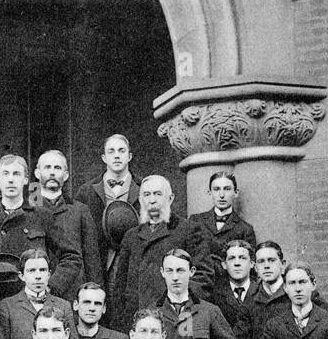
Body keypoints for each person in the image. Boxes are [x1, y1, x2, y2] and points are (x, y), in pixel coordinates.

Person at [108, 175, 211, 327]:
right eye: (146, 195)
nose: (152, 200)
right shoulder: (131, 236)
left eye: (157, 194)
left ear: (170, 198)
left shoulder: (188, 230)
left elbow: (203, 278)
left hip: (177, 320)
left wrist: (181, 310)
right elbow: (119, 287)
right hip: (137, 322)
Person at [0, 154, 78, 303]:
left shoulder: (41, 216)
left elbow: (72, 256)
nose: (11, 179)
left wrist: (51, 287)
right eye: (6, 174)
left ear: (25, 180)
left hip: (34, 301)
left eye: (16, 174)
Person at [155, 247, 240, 339]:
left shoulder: (209, 311)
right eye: (169, 271)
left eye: (180, 270)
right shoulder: (152, 313)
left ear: (192, 272)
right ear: (162, 273)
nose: (175, 277)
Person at [32, 149, 102, 299]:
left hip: (73, 293)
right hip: (36, 293)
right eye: (47, 167)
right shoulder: (28, 209)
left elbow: (92, 261)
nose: (52, 173)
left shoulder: (80, 211)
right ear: (37, 173)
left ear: (66, 175)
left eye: (57, 168)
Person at [0, 249, 78, 339]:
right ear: (22, 276)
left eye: (42, 270)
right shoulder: (7, 307)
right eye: (32, 271)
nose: (38, 276)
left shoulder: (63, 306)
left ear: (49, 274)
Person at [244, 240, 328, 339]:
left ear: (282, 264)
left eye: (271, 260)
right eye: (261, 261)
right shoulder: (250, 298)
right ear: (255, 267)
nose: (266, 266)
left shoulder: (302, 292)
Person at [74, 133, 141, 274]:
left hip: (135, 265)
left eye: (122, 151)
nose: (117, 156)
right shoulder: (86, 191)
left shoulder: (146, 188)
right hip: (99, 266)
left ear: (129, 156)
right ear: (104, 158)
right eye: (111, 151)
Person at [191, 172, 258, 289]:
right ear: (209, 193)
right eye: (216, 189)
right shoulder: (196, 221)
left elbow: (250, 269)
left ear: (235, 193)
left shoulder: (245, 229)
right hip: (199, 286)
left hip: (228, 289)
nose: (221, 195)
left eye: (227, 189)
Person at [209, 240, 260, 339]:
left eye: (242, 258)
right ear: (224, 264)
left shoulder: (261, 293)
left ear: (252, 264)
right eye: (232, 258)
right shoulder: (214, 296)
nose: (237, 263)